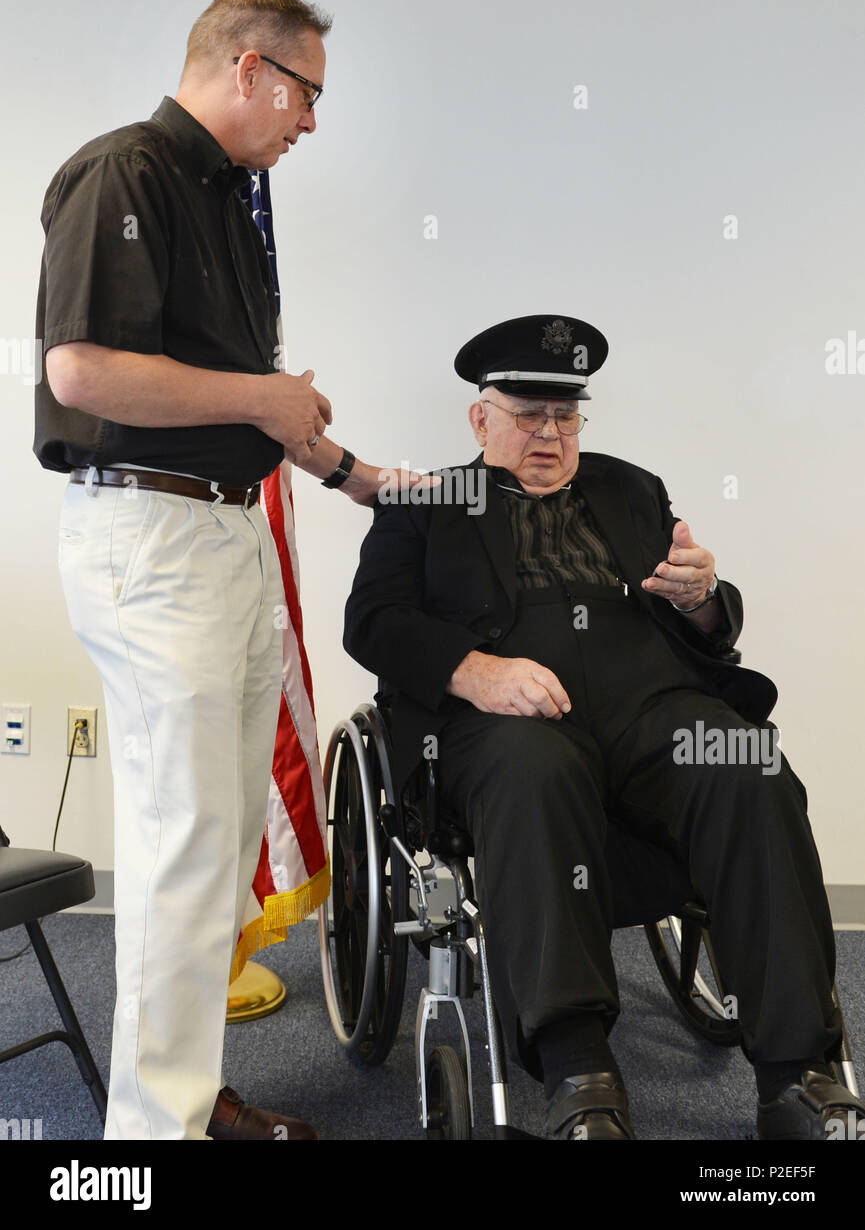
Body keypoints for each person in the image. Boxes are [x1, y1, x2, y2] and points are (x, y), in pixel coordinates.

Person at [34, 0, 427, 1141]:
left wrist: (357, 476)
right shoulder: (126, 174)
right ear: (250, 69)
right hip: (152, 541)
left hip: (226, 529)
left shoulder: (231, 203)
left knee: (215, 846)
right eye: (307, 93)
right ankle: (152, 1138)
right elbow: (83, 374)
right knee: (184, 847)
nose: (311, 121)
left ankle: (189, 1100)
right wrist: (267, 395)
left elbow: (249, 408)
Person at [344, 313, 865, 1140]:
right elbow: (372, 624)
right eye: (527, 415)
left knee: (746, 766)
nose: (549, 434)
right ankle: (577, 1069)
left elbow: (710, 623)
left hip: (648, 706)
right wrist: (475, 672)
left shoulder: (631, 488)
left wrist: (701, 600)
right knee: (533, 771)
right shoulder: (426, 504)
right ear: (481, 419)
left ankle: (796, 1076)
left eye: (566, 416)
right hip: (505, 721)